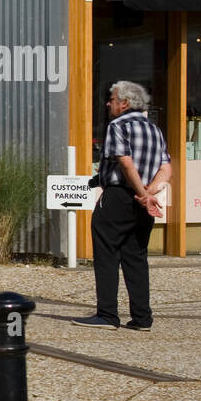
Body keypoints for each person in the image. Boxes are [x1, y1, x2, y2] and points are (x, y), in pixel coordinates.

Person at [74, 81, 171, 331]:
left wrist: (141, 193)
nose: (109, 103)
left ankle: (107, 314)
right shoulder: (154, 129)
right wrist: (149, 194)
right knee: (136, 256)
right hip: (142, 201)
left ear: (124, 103)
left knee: (106, 251)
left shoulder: (118, 125)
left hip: (118, 195)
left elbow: (125, 163)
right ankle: (142, 317)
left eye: (112, 99)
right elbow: (166, 167)